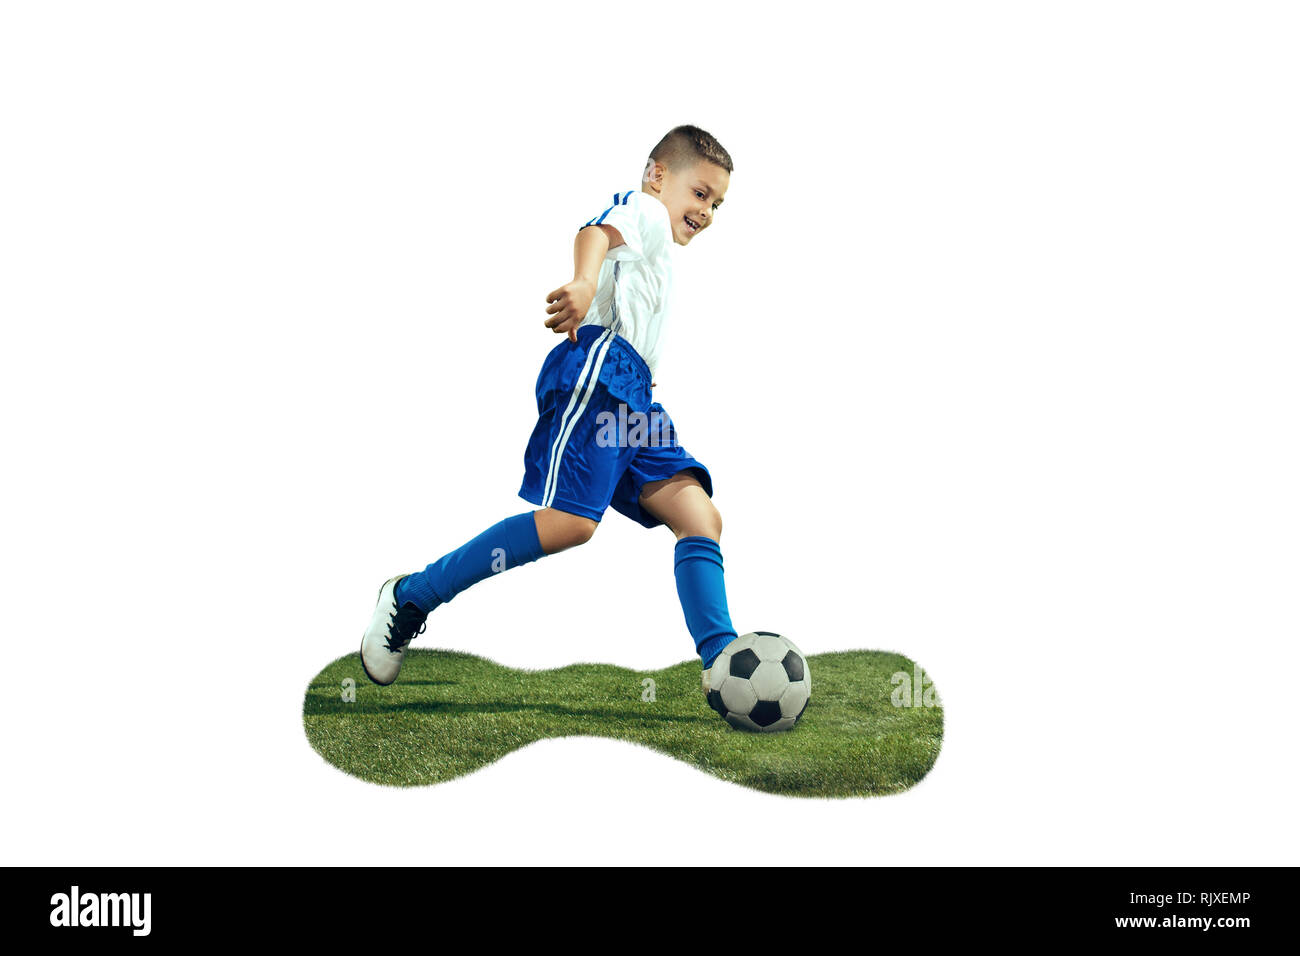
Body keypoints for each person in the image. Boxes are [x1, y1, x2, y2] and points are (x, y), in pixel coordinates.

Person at [360, 125, 738, 695]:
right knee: (571, 525)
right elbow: (596, 231)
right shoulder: (647, 211)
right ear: (658, 176)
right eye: (701, 193)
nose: (706, 212)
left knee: (700, 518)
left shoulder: (660, 242)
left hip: (635, 393)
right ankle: (412, 595)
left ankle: (722, 659)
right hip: (601, 374)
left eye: (717, 203)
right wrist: (585, 283)